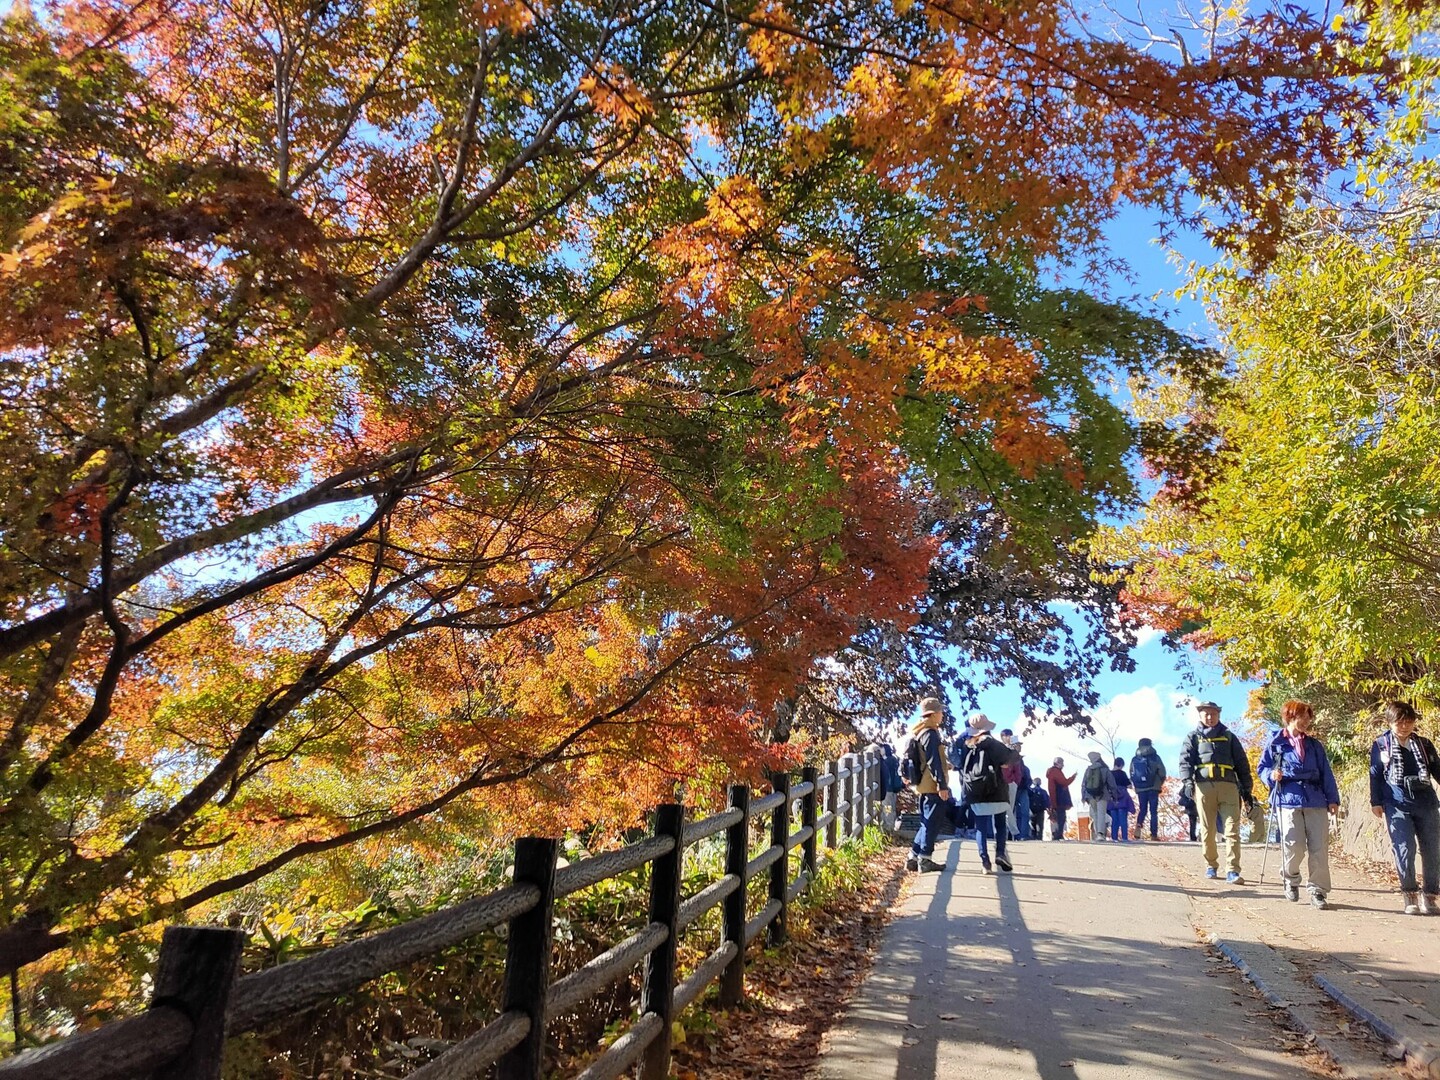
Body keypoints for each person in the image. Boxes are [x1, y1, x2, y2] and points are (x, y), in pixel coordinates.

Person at [1259, 700, 1340, 909]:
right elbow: (1262, 768)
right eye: (1301, 716)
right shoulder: (1275, 743)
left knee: (1319, 847)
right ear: (1290, 717)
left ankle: (1318, 891)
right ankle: (1290, 879)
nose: (1306, 721)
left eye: (1308, 717)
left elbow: (1326, 772)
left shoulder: (1314, 745)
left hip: (1315, 799)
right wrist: (1271, 775)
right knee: (1293, 845)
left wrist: (1332, 799)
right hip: (1287, 799)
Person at [1369, 700, 1440, 915]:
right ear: (1390, 722)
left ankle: (1430, 896)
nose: (1404, 726)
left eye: (1409, 722)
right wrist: (1376, 802)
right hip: (1396, 803)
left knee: (1432, 849)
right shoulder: (1381, 744)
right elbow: (1375, 774)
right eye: (1399, 722)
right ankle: (1409, 894)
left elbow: (1437, 769)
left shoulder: (1424, 744)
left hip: (1426, 801)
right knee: (1404, 848)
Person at [1178, 700, 1255, 884]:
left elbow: (1242, 764)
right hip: (1204, 787)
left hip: (1229, 786)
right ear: (1200, 715)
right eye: (1206, 714)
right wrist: (1188, 782)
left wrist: (1247, 790)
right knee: (1207, 829)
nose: (1210, 717)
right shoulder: (1193, 737)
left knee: (1232, 829)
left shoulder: (1229, 737)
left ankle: (1233, 870)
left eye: (1213, 714)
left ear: (1219, 715)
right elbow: (1185, 761)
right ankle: (1211, 865)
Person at [958, 715, 1018, 873]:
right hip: (995, 789)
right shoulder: (993, 744)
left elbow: (958, 765)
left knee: (981, 827)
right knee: (1000, 824)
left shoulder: (966, 745)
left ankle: (985, 862)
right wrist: (1013, 749)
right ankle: (1000, 853)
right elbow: (1008, 761)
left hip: (975, 791)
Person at [904, 697, 951, 873]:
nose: (942, 715)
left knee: (926, 821)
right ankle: (925, 858)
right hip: (931, 784)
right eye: (940, 712)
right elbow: (933, 761)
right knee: (933, 822)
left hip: (922, 784)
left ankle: (913, 856)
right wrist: (942, 784)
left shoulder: (919, 732)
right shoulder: (930, 734)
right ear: (932, 714)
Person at [1130, 738, 1168, 840]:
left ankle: (1139, 825)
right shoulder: (1155, 757)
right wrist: (1159, 783)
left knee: (1143, 809)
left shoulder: (1135, 759)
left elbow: (1132, 774)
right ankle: (1154, 834)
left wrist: (1137, 785)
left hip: (1141, 788)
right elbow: (1162, 772)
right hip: (1153, 787)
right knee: (1153, 811)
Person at [1081, 751, 1117, 842]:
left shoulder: (1089, 769)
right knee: (1101, 813)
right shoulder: (1105, 769)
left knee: (1095, 814)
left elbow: (1084, 783)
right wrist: (1114, 795)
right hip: (1102, 795)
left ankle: (1097, 834)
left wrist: (1083, 796)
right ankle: (1101, 834)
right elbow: (1112, 784)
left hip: (1090, 795)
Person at [1046, 757, 1075, 840]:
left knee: (1057, 817)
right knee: (1061, 817)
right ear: (1057, 763)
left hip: (1056, 799)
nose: (1063, 765)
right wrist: (1072, 777)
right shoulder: (1055, 771)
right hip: (1059, 798)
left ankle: (1057, 834)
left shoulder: (1052, 772)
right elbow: (1064, 782)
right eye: (1062, 763)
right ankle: (1058, 834)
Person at [1013, 743, 1033, 841]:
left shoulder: (1021, 761)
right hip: (1014, 787)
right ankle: (1016, 834)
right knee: (1013, 812)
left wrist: (1028, 782)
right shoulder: (1010, 758)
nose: (1020, 747)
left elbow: (1025, 774)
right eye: (1018, 745)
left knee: (1024, 812)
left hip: (1023, 788)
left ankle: (1023, 834)